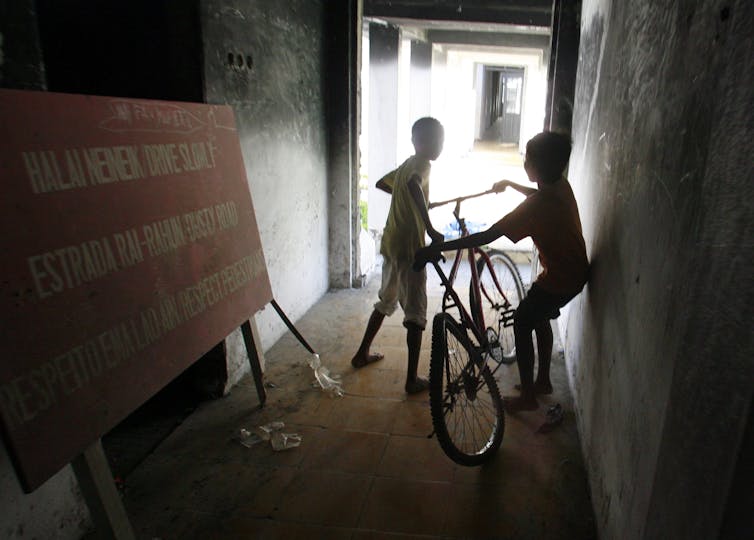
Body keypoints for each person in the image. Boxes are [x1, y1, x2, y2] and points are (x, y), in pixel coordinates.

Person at [414, 131, 589, 411]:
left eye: (528, 158)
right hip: (575, 270)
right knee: (540, 316)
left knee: (522, 321)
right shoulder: (559, 186)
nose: (524, 162)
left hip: (560, 278)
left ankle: (529, 397)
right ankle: (542, 380)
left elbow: (487, 235)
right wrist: (511, 184)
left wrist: (435, 248)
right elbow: (538, 192)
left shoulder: (535, 207)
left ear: (535, 167)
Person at [351, 117, 445, 394]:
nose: (439, 146)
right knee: (415, 312)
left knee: (387, 299)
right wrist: (429, 226)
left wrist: (417, 202)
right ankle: (411, 380)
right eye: (435, 141)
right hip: (410, 247)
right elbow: (415, 185)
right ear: (420, 143)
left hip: (391, 242)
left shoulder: (406, 164)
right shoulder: (423, 165)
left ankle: (361, 353)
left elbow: (383, 183)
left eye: (440, 141)